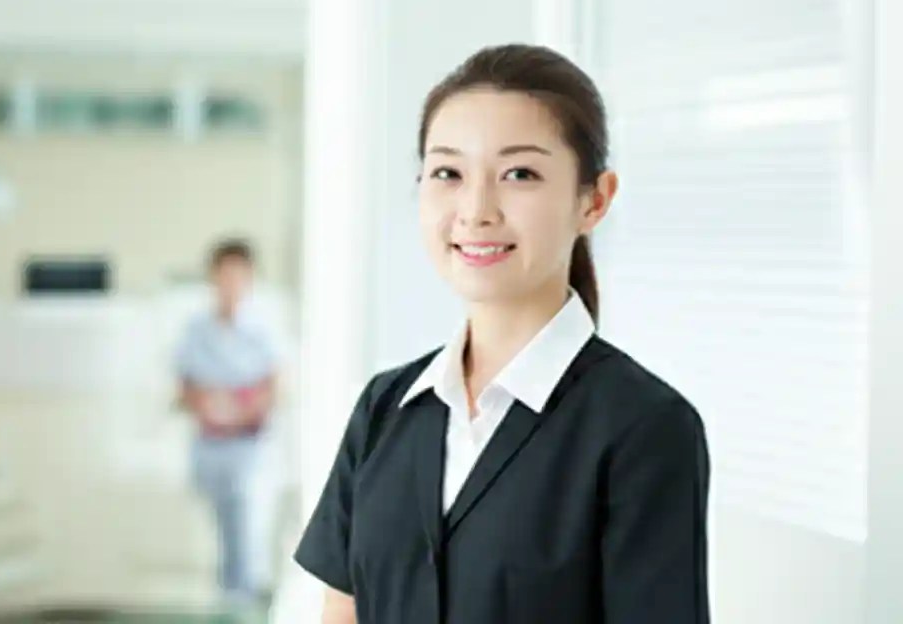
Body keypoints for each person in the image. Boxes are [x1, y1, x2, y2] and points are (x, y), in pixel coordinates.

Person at [294, 44, 710, 623]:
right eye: (448, 172)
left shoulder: (644, 427)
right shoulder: (385, 410)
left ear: (594, 200)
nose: (476, 209)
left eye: (519, 173)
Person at [176, 239, 281, 611]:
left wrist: (238, 410)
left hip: (249, 444)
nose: (230, 282)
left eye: (238, 275)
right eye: (224, 274)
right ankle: (227, 601)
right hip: (210, 444)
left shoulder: (264, 328)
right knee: (220, 532)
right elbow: (185, 386)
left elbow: (273, 385)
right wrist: (208, 404)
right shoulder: (196, 329)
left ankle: (247, 600)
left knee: (248, 530)